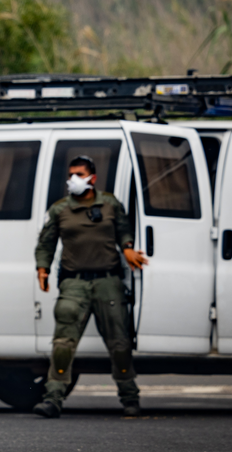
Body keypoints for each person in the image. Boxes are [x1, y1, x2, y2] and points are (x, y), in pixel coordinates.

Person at [34, 155, 149, 418]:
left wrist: (129, 249)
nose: (73, 179)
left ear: (92, 178)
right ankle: (53, 398)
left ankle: (130, 398)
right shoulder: (60, 209)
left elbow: (124, 230)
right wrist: (43, 268)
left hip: (108, 281)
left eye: (79, 174)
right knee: (63, 344)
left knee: (119, 344)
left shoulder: (109, 204)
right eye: (71, 173)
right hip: (74, 283)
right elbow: (46, 242)